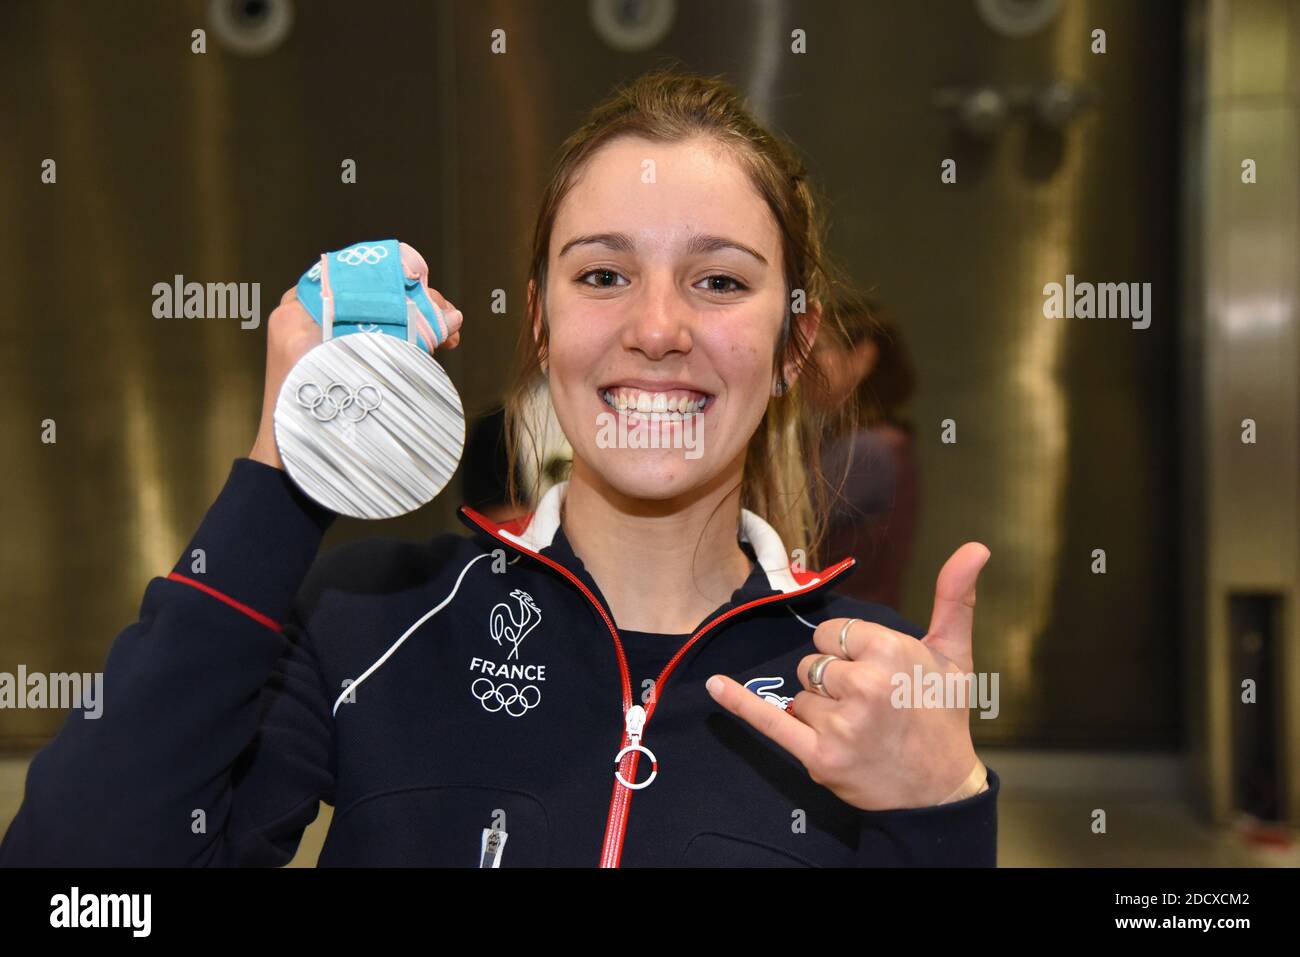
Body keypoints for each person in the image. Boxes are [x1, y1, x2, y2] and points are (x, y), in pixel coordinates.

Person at [0, 67, 996, 867]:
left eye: (719, 280)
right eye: (602, 275)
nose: (656, 328)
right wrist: (285, 467)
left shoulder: (868, 686)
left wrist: (942, 812)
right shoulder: (371, 624)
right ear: (541, 321)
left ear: (792, 346)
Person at [809, 296, 919, 609]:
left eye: (818, 350)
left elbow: (785, 523)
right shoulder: (883, 441)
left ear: (862, 358)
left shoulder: (868, 449)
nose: (803, 363)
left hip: (840, 630)